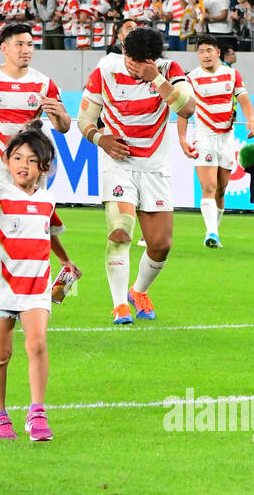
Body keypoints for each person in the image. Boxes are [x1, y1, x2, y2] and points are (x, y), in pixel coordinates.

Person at [77, 26, 195, 325]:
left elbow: (189, 108)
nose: (135, 66)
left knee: (161, 244)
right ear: (123, 51)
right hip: (118, 163)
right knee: (121, 229)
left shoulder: (169, 70)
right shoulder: (106, 69)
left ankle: (138, 291)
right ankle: (119, 306)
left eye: (144, 61)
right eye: (132, 60)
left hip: (155, 167)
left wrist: (155, 78)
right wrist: (100, 138)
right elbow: (85, 120)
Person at [0, 127, 69, 443]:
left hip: (36, 287)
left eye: (32, 161)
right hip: (1, 287)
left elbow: (49, 232)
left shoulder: (48, 200)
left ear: (44, 168)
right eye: (17, 157)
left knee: (36, 344)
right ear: (6, 161)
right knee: (0, 354)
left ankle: (37, 413)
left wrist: (65, 261)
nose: (23, 165)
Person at [0, 21, 71, 181]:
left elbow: (63, 127)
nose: (26, 50)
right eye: (19, 44)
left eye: (30, 44)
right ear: (4, 49)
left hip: (30, 174)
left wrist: (59, 114)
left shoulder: (44, 83)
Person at [177, 35, 254, 248]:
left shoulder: (231, 74)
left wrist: (251, 121)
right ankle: (211, 233)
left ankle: (213, 231)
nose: (205, 55)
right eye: (201, 51)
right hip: (204, 137)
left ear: (218, 52)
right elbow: (183, 112)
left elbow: (243, 98)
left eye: (209, 50)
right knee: (209, 186)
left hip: (227, 137)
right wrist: (183, 139)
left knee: (221, 190)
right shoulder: (191, 78)